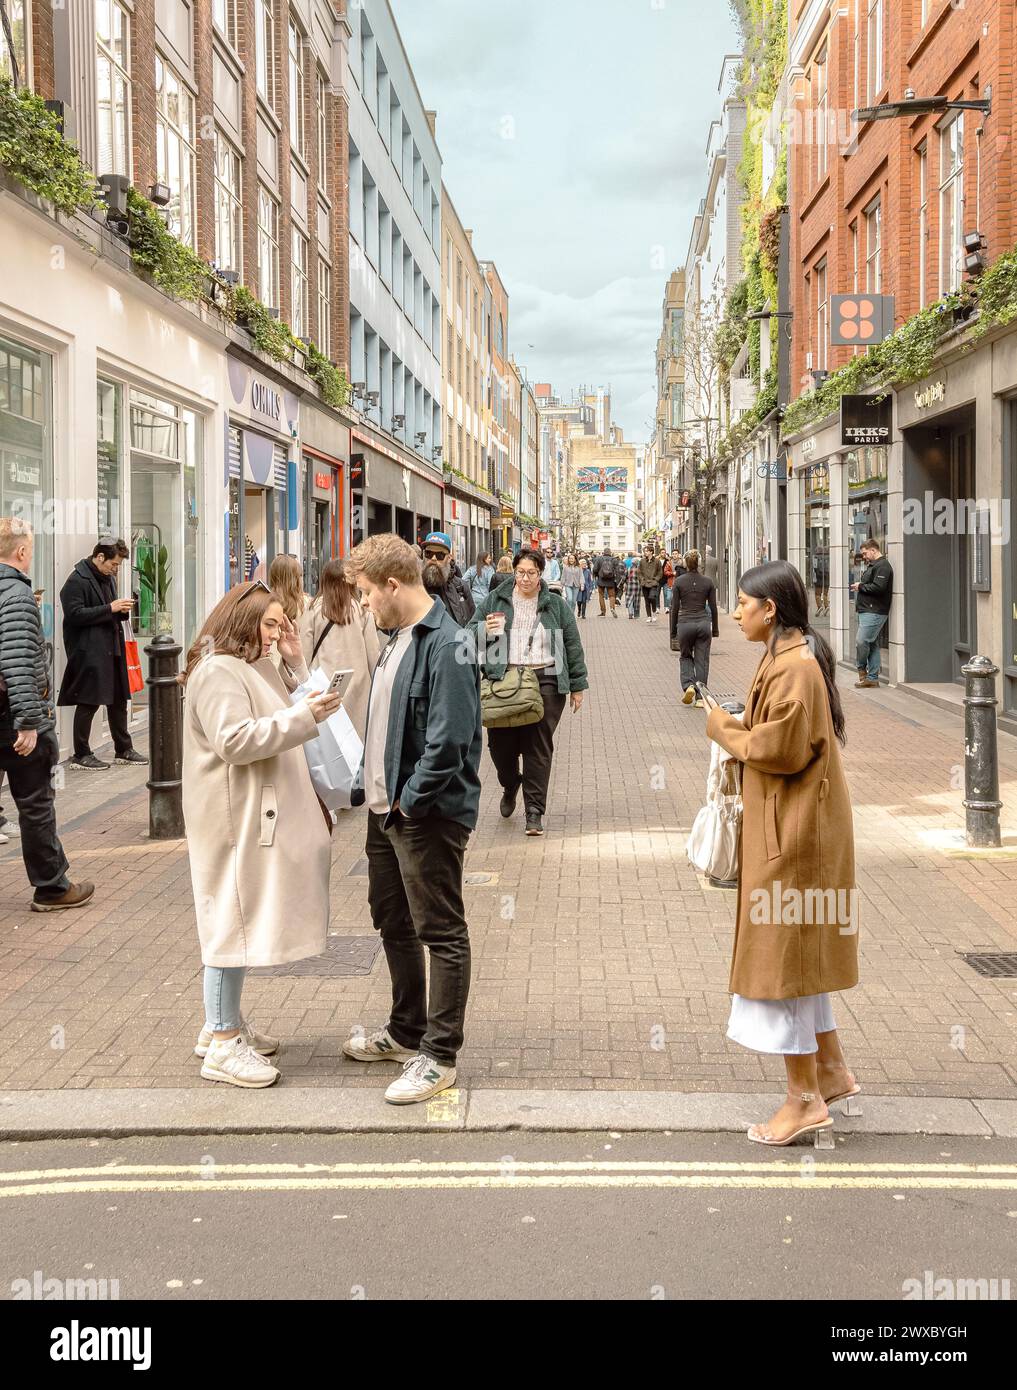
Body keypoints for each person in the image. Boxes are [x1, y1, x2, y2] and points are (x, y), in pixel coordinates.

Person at [700, 560, 858, 1146]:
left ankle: (803, 1099)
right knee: (801, 950)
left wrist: (723, 728)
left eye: (742, 603)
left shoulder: (793, 669)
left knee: (784, 961)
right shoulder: (787, 657)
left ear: (771, 610)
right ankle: (834, 1071)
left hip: (795, 835)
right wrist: (741, 723)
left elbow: (782, 750)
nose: (735, 612)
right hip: (795, 825)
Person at [182, 579, 343, 1088]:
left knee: (239, 919)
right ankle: (224, 1043)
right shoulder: (217, 672)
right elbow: (234, 741)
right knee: (231, 922)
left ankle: (221, 1026)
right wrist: (300, 716)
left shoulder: (248, 665)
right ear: (241, 621)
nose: (276, 632)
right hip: (235, 818)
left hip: (251, 813)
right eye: (269, 624)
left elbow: (295, 704)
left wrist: (295, 660)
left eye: (280, 623)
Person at [343, 534, 482, 1105]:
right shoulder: (397, 636)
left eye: (367, 594)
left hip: (422, 815)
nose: (364, 605)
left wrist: (410, 801)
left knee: (441, 931)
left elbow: (450, 741)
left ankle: (440, 1055)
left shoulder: (449, 644)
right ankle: (406, 1032)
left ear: (394, 586)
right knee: (393, 923)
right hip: (385, 812)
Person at [0, 518, 94, 912]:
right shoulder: (17, 596)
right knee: (36, 803)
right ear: (21, 552)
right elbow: (18, 661)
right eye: (32, 549)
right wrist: (28, 722)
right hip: (13, 719)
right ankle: (52, 887)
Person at [469, 549, 587, 837]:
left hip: (545, 678)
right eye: (520, 572)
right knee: (501, 746)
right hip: (504, 678)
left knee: (537, 745)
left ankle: (534, 811)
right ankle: (511, 784)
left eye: (531, 573)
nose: (525, 578)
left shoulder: (555, 605)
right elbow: (468, 631)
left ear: (540, 574)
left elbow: (571, 643)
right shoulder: (496, 599)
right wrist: (484, 628)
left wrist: (577, 685)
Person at [58, 539, 148, 771]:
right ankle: (81, 754)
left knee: (118, 700)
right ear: (100, 557)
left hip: (111, 647)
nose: (115, 569)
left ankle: (123, 749)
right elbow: (74, 615)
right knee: (89, 701)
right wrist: (111, 608)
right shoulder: (76, 581)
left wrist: (121, 611)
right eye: (114, 564)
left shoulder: (107, 578)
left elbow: (108, 611)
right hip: (89, 651)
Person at [299, 557, 380, 740]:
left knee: (329, 748)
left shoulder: (314, 609)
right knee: (355, 746)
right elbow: (373, 654)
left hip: (324, 692)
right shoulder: (361, 610)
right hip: (358, 692)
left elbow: (304, 654)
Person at [671, 549, 719, 706]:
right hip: (703, 623)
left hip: (685, 624)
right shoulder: (708, 582)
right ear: (699, 563)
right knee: (702, 661)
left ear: (685, 563)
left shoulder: (679, 581)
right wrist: (715, 629)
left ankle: (688, 685)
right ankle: (701, 698)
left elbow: (674, 608)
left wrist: (673, 631)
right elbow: (713, 607)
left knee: (685, 656)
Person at [851, 540, 892, 688]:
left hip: (874, 611)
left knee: (861, 641)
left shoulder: (883, 566)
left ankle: (861, 669)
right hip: (867, 610)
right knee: (872, 644)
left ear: (873, 550)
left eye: (865, 553)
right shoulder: (874, 565)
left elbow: (879, 588)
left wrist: (860, 586)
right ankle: (872, 678)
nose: (864, 556)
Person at [421, 531, 475, 626]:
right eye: (429, 553)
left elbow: (473, 623)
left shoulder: (460, 587)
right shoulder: (413, 587)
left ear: (449, 558)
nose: (433, 559)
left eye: (439, 555)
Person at [269, 553, 311, 623]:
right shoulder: (306, 604)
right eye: (300, 576)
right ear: (296, 579)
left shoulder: (265, 602)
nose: (302, 579)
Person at [638, 547, 664, 624]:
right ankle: (649, 616)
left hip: (653, 583)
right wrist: (642, 579)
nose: (645, 552)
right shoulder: (642, 561)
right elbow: (639, 572)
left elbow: (660, 572)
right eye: (644, 551)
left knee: (652, 597)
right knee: (646, 601)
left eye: (646, 551)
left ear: (651, 552)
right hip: (644, 583)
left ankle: (654, 612)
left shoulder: (657, 561)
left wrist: (656, 579)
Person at [593, 547, 620, 617]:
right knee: (612, 595)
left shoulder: (599, 559)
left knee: (601, 596)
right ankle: (612, 608)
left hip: (601, 579)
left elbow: (595, 569)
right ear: (610, 552)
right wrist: (617, 580)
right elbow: (617, 571)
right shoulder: (614, 560)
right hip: (610, 580)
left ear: (603, 552)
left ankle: (603, 611)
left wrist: (597, 575)